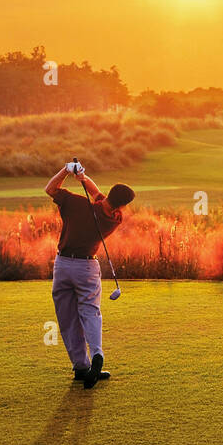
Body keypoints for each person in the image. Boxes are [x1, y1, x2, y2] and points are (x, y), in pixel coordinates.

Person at [43, 162, 134, 388]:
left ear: (109, 193)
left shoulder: (75, 203)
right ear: (121, 205)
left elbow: (50, 189)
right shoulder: (115, 218)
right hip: (87, 268)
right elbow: (96, 195)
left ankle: (81, 367)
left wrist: (67, 170)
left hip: (63, 265)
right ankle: (96, 355)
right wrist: (83, 178)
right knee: (90, 313)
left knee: (67, 318)